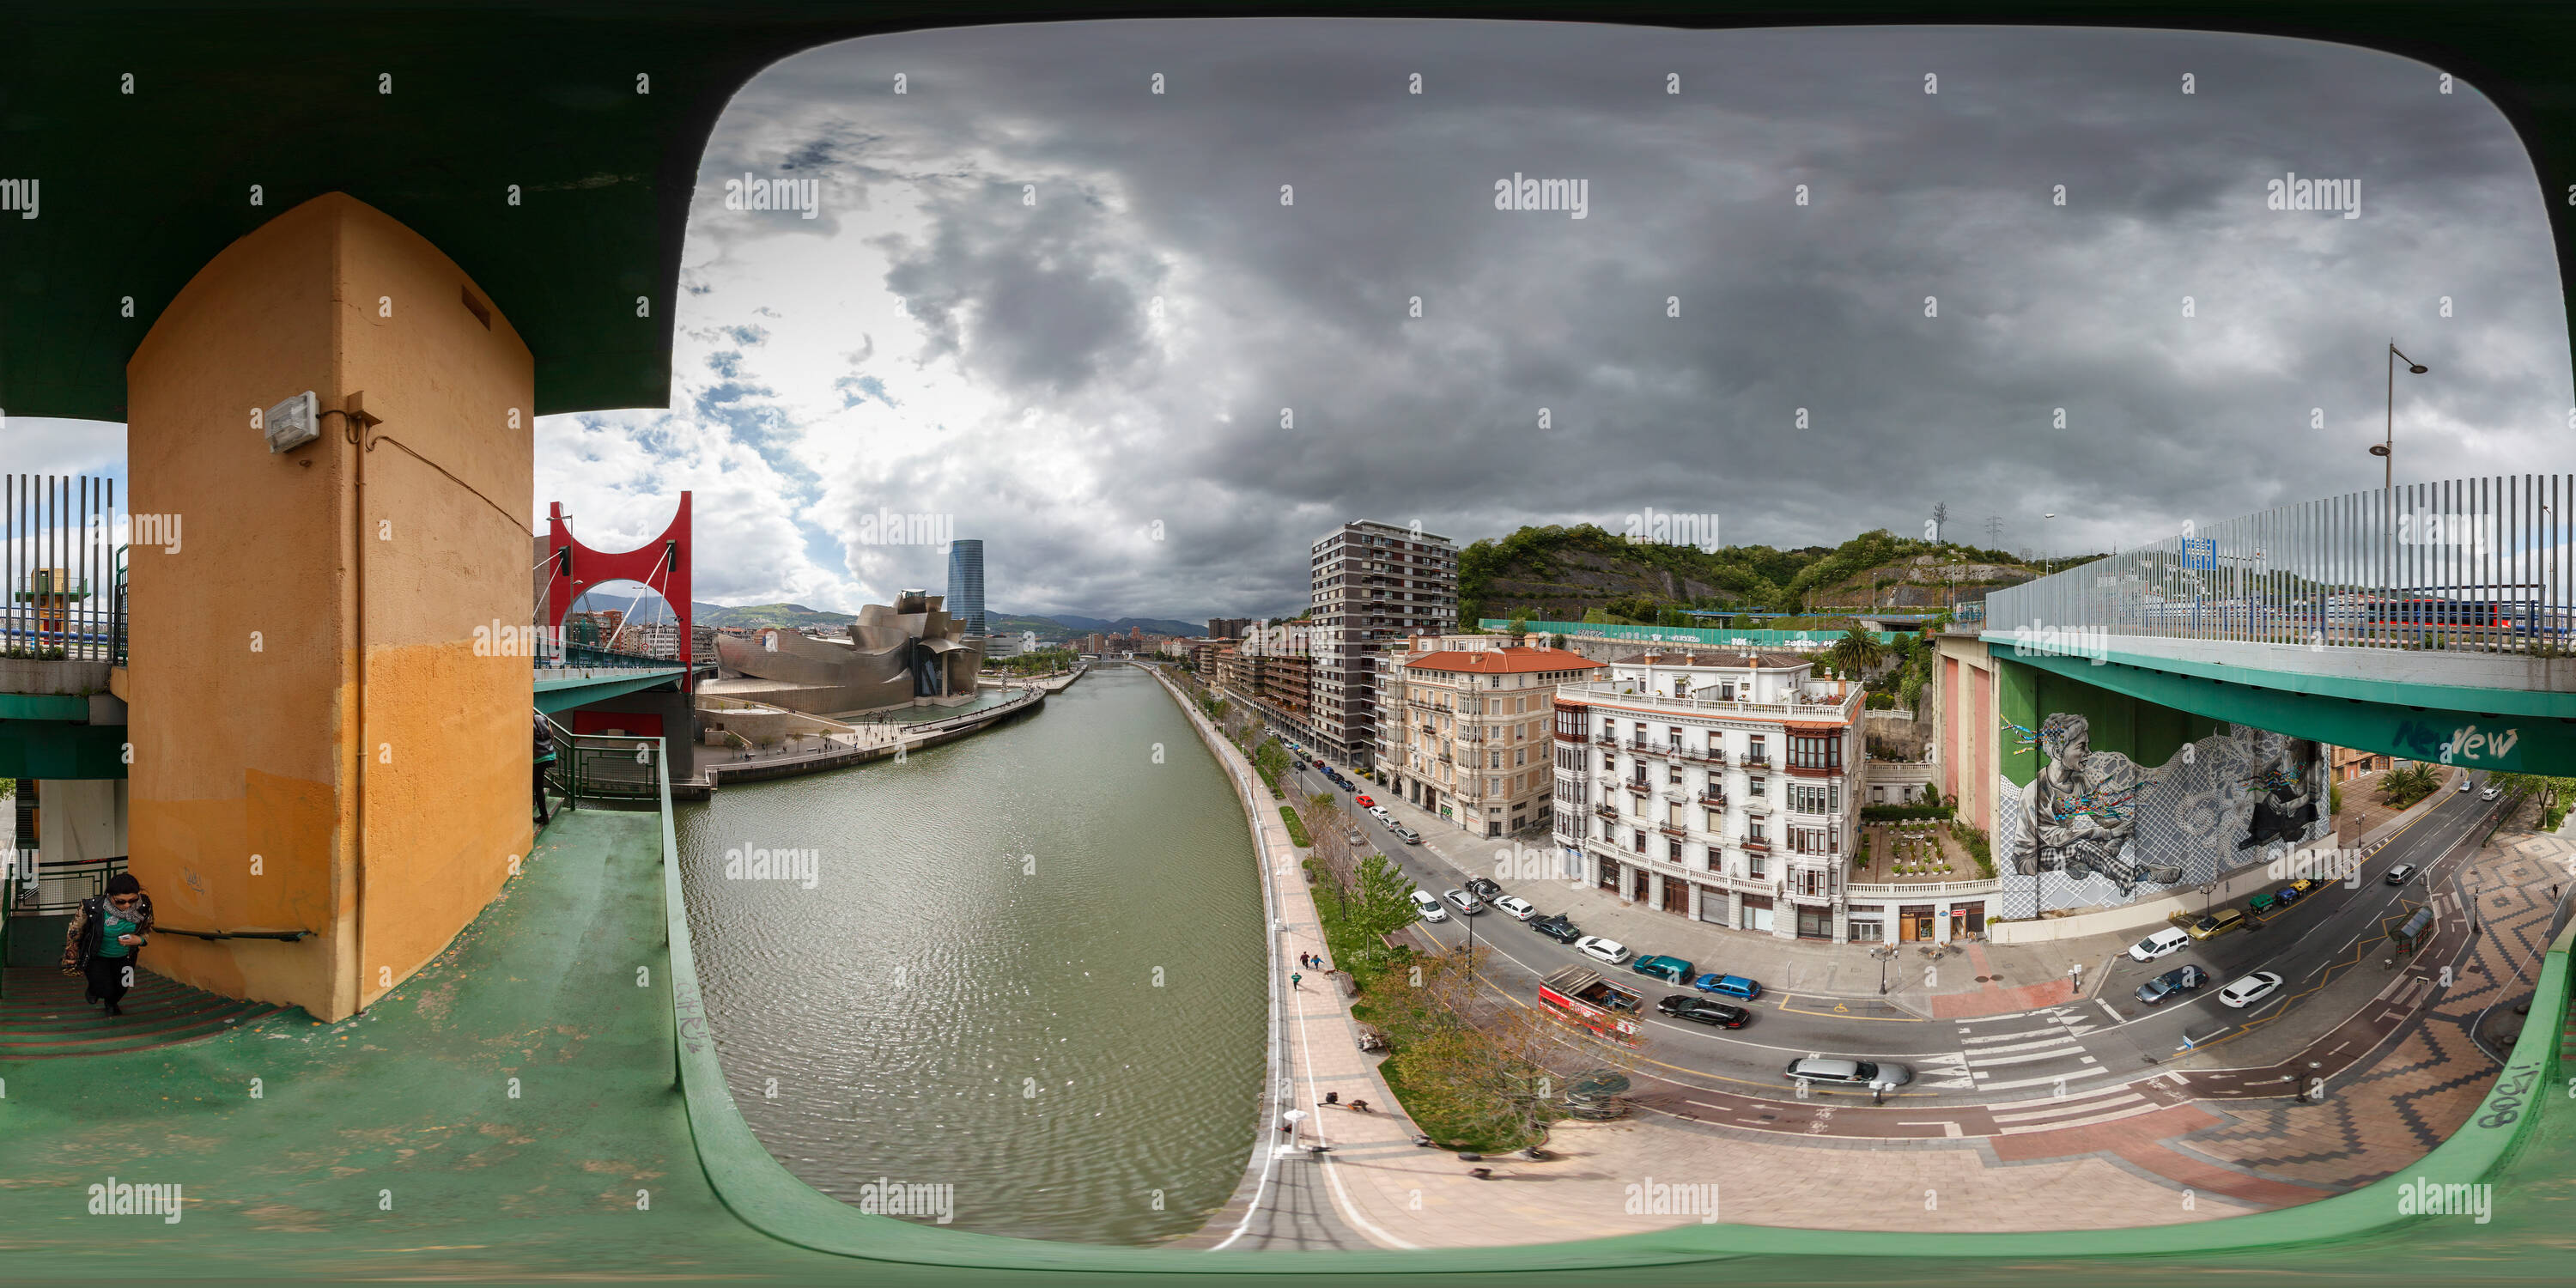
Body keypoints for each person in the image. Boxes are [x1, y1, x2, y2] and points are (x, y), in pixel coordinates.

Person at [62, 873, 154, 1018]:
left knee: (125, 985)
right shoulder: (92, 907)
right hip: (97, 955)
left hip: (128, 956)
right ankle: (95, 990)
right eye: (121, 901)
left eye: (132, 900)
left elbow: (148, 927)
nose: (128, 905)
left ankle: (111, 1003)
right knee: (104, 988)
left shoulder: (144, 905)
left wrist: (139, 940)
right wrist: (71, 955)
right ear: (109, 896)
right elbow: (75, 930)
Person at [533, 711, 557, 823]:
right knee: (538, 784)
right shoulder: (543, 717)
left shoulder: (525, 723)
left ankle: (544, 817)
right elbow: (552, 735)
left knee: (538, 788)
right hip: (550, 755)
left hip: (538, 758)